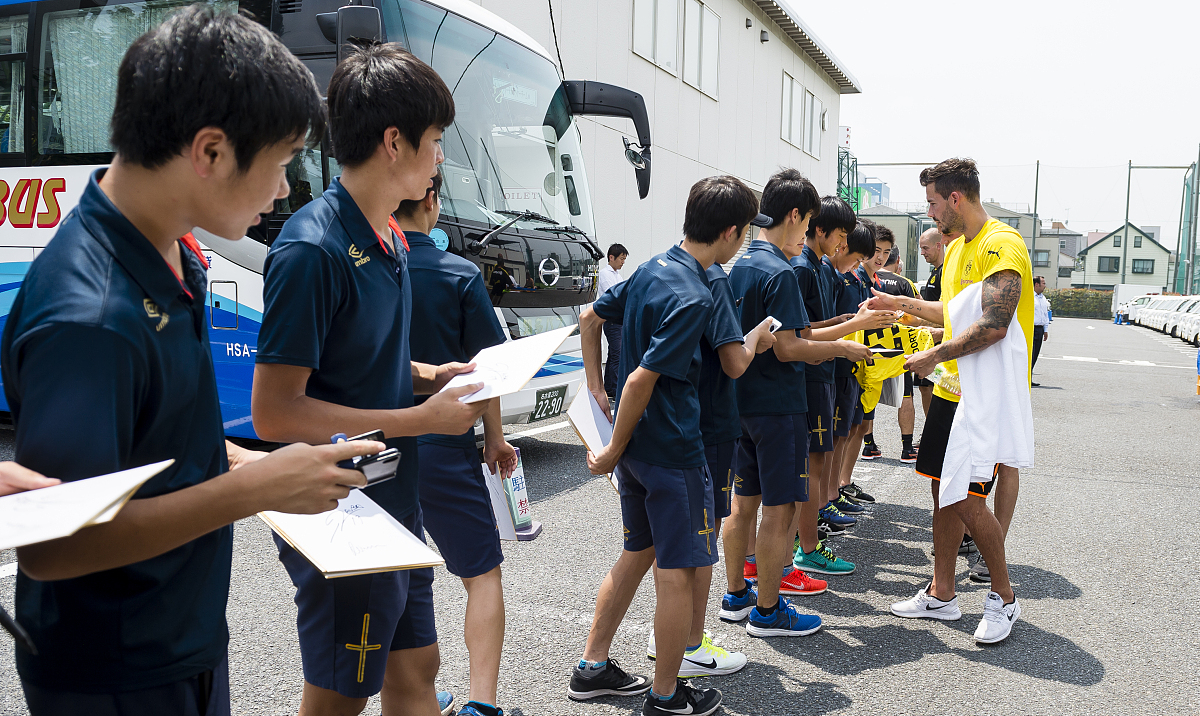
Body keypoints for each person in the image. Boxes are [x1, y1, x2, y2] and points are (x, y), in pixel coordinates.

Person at [2, 9, 384, 715]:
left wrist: (259, 466)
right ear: (209, 151)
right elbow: (53, 548)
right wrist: (258, 489)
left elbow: (168, 441)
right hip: (114, 670)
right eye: (279, 164)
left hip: (184, 637)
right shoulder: (91, 316)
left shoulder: (174, 253)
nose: (283, 190)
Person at [252, 44, 489, 716]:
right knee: (340, 697)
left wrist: (427, 375)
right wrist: (426, 418)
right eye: (436, 141)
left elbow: (361, 361)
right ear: (395, 142)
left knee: (417, 671)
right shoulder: (312, 248)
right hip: (341, 508)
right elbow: (274, 414)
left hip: (396, 501)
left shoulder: (385, 236)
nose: (440, 157)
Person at [567, 176, 767, 716]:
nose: (744, 241)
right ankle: (666, 693)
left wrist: (594, 389)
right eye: (745, 232)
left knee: (637, 553)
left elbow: (589, 317)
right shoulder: (695, 294)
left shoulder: (650, 267)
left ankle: (592, 667)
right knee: (677, 575)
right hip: (673, 452)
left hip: (636, 454)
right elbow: (640, 380)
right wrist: (607, 448)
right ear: (729, 232)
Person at [871, 157, 1031, 644]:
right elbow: (951, 311)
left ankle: (1004, 598)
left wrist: (933, 352)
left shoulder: (1001, 245)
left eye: (934, 204)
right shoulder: (958, 247)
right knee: (943, 490)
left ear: (956, 199)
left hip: (985, 394)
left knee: (965, 496)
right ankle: (942, 593)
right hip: (952, 386)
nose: (931, 214)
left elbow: (993, 323)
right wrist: (898, 305)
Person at [720, 169, 873, 641]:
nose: (807, 235)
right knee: (780, 510)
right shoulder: (783, 272)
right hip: (780, 407)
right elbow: (790, 347)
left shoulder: (741, 263)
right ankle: (768, 611)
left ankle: (735, 596)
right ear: (794, 216)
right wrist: (843, 347)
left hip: (740, 403)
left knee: (741, 505)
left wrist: (839, 331)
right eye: (807, 225)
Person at [394, 171, 518, 716]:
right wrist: (494, 438)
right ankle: (481, 705)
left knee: (396, 574)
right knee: (481, 574)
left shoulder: (369, 268)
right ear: (430, 199)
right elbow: (485, 369)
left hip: (378, 439)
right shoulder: (458, 273)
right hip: (444, 442)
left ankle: (413, 693)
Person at [787, 194, 893, 577]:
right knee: (807, 469)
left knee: (817, 462)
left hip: (826, 371)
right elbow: (794, 335)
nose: (843, 245)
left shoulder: (816, 268)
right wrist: (852, 327)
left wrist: (846, 322)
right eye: (841, 236)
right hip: (813, 373)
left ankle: (803, 542)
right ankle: (803, 545)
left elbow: (811, 326)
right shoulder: (801, 268)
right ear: (818, 228)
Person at [830, 223, 879, 511]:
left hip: (849, 365)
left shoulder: (854, 277)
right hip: (832, 365)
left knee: (844, 433)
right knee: (828, 444)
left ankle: (833, 493)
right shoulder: (826, 273)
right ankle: (826, 502)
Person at [854, 224, 895, 462]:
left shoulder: (879, 283)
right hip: (852, 362)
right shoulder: (853, 276)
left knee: (861, 426)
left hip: (873, 363)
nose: (880, 257)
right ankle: (837, 486)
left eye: (886, 252)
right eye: (877, 250)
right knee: (849, 429)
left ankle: (844, 482)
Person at [876, 245, 920, 464]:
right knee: (905, 397)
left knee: (870, 396)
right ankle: (906, 448)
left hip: (871, 347)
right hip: (898, 348)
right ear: (898, 261)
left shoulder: (870, 278)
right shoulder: (905, 283)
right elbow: (918, 314)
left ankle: (868, 445)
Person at [916, 227, 948, 415]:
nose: (922, 253)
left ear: (938, 245)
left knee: (935, 386)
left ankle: (934, 431)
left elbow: (945, 311)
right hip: (928, 341)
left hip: (939, 343)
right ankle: (931, 430)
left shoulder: (945, 272)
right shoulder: (935, 272)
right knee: (925, 386)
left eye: (925, 248)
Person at [599, 243, 629, 398]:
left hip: (618, 320)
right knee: (618, 355)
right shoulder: (605, 274)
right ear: (611, 257)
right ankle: (617, 391)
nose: (623, 262)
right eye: (621, 259)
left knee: (613, 355)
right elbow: (614, 296)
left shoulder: (618, 275)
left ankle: (609, 388)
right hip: (611, 320)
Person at [1032, 276, 1050, 385]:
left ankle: (1029, 377)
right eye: (1043, 283)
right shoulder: (1029, 297)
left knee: (1035, 354)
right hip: (1031, 328)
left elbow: (1045, 315)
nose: (1045, 285)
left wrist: (1045, 329)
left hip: (1040, 329)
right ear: (1036, 284)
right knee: (1029, 354)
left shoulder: (1043, 298)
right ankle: (1025, 379)